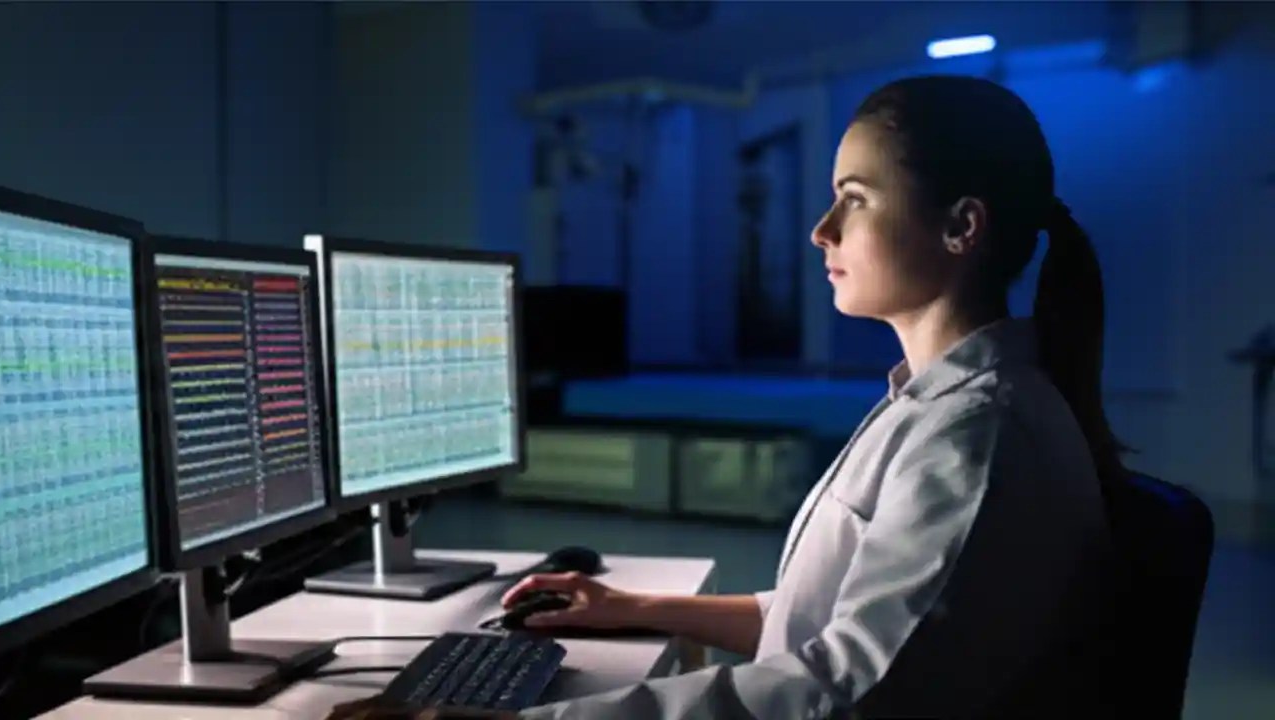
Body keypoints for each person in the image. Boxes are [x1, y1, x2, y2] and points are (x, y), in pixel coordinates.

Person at [358, 74, 1119, 720]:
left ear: (961, 226)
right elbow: (820, 624)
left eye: (854, 199)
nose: (822, 231)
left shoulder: (973, 438)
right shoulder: (938, 408)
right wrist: (634, 609)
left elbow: (845, 689)